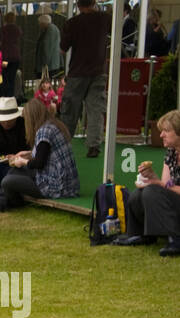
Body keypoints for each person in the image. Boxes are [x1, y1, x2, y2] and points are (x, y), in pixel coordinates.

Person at [115, 109, 180, 256]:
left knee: (152, 191)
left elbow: (164, 187)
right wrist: (152, 177)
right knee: (139, 193)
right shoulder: (171, 152)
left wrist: (157, 184)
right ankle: (141, 234)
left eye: (166, 131)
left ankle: (176, 238)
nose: (161, 134)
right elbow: (166, 184)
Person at [0, 98, 80, 209]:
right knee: (14, 171)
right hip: (69, 184)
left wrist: (23, 161)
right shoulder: (54, 125)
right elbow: (45, 153)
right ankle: (9, 199)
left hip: (56, 187)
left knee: (7, 181)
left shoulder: (44, 131)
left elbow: (39, 163)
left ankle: (16, 203)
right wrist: (28, 154)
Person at [61, 0, 112, 158]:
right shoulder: (105, 19)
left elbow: (63, 49)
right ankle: (94, 145)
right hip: (99, 71)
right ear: (94, 2)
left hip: (77, 71)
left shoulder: (72, 23)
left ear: (77, 5)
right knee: (95, 109)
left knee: (70, 110)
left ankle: (63, 144)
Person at [0, 12, 22, 99]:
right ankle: (11, 97)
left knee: (5, 77)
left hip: (5, 57)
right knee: (12, 78)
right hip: (15, 58)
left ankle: (4, 96)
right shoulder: (17, 29)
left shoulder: (2, 30)